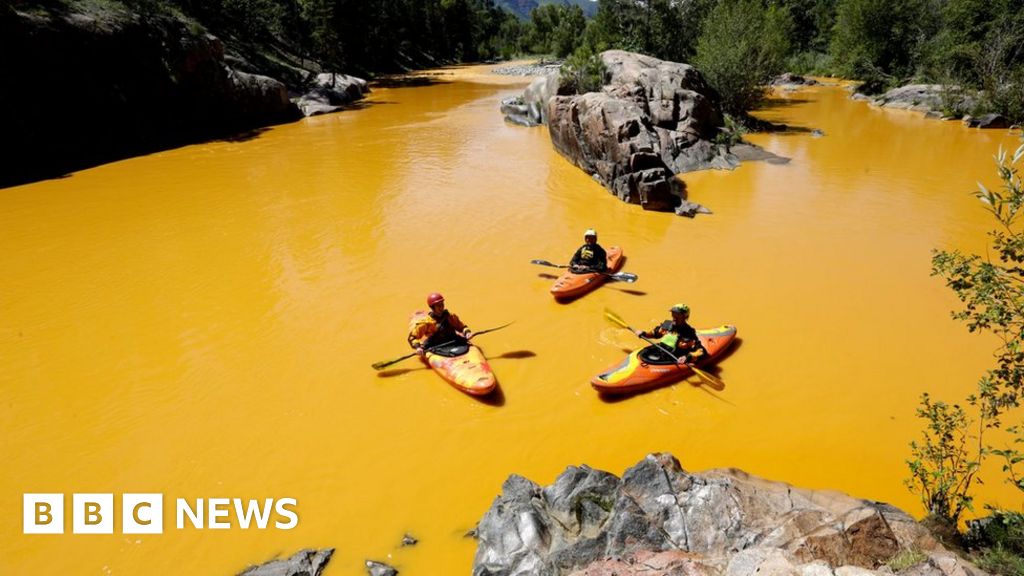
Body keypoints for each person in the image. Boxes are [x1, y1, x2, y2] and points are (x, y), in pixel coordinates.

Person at [407, 292, 474, 357]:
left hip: (453, 341)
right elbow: (412, 337)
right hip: (435, 346)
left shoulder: (450, 316)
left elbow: (462, 327)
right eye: (438, 305)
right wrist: (418, 347)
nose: (441, 307)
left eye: (442, 304)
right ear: (432, 307)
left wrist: (467, 333)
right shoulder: (426, 323)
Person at [636, 304, 708, 362]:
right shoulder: (668, 324)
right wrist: (644, 333)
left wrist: (688, 357)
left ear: (684, 317)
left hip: (673, 357)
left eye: (678, 315)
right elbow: (654, 333)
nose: (674, 317)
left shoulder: (688, 332)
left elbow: (701, 351)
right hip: (660, 352)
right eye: (673, 314)